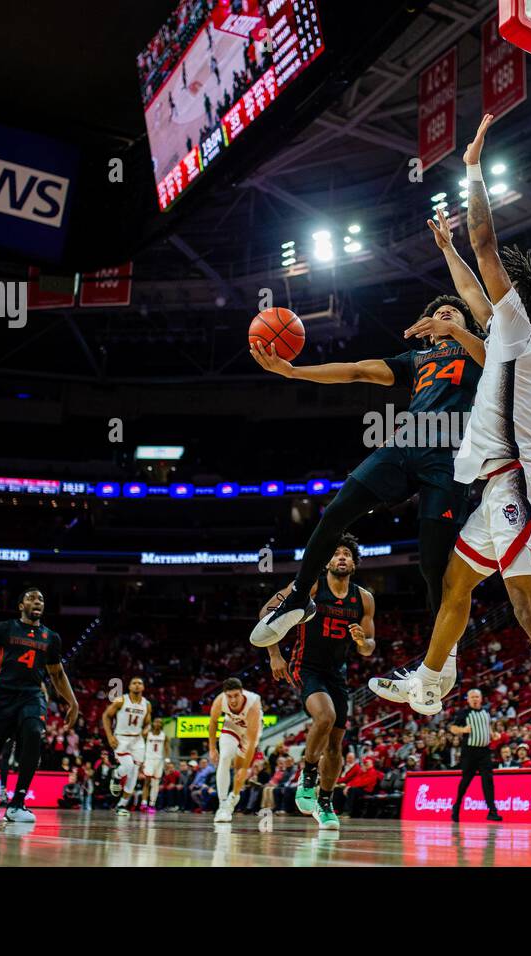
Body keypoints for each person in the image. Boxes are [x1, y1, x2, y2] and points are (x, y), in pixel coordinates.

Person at [378, 114, 531, 809]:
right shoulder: (508, 331)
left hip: (518, 481)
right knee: (457, 584)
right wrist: (448, 248)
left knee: (526, 607)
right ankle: (429, 678)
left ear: (518, 294)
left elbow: (488, 252)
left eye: (496, 281)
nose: (489, 282)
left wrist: (474, 171)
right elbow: (471, 294)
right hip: (498, 490)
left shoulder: (516, 329)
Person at [250, 264, 486, 703]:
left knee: (433, 565)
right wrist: (294, 372)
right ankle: (300, 597)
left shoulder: (480, 351)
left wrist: (456, 325)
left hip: (451, 458)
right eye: (441, 316)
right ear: (429, 333)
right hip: (405, 446)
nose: (448, 318)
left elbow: (493, 358)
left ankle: (441, 660)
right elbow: (357, 370)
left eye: (456, 314)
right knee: (337, 511)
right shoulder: (416, 359)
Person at [265, 535, 376, 830]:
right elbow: (267, 612)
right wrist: (275, 655)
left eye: (347, 554)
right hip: (306, 666)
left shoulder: (364, 598)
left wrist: (362, 641)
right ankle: (308, 775)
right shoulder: (312, 586)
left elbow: (369, 648)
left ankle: (325, 802)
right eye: (336, 553)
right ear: (327, 561)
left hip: (336, 672)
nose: (341, 557)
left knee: (336, 746)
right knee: (324, 717)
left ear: (354, 563)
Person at [0, 588, 79, 823]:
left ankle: (17, 803)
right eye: (31, 598)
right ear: (21, 605)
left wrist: (72, 702)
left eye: (41, 598)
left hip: (32, 696)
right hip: (2, 698)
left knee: (32, 734)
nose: (37, 601)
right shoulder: (3, 629)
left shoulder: (51, 638)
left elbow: (57, 675)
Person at [207, 678, 262, 823]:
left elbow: (251, 740)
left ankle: (234, 796)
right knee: (224, 758)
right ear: (225, 694)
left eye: (236, 695)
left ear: (242, 692)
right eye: (229, 696)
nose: (233, 700)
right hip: (232, 725)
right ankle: (222, 804)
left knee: (240, 770)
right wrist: (212, 748)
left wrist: (245, 767)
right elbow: (213, 723)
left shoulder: (253, 704)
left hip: (250, 732)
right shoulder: (220, 700)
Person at [448, 688, 501, 823]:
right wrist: (462, 729)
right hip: (469, 752)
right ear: (468, 699)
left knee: (488, 780)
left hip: (484, 751)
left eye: (477, 697)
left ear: (481, 698)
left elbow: (487, 726)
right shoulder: (463, 713)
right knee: (466, 781)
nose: (475, 699)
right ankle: (457, 807)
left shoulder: (486, 712)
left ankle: (492, 811)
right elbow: (452, 728)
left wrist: (492, 734)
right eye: (472, 697)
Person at [102, 677, 152, 816]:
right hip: (121, 738)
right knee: (128, 766)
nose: (137, 685)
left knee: (134, 775)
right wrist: (110, 736)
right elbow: (106, 716)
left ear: (143, 687)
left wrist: (146, 729)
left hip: (137, 740)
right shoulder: (121, 700)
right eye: (134, 683)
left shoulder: (146, 704)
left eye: (140, 683)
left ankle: (121, 805)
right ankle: (116, 774)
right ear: (129, 687)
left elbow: (148, 722)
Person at [143, 718, 167, 814]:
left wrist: (166, 761)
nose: (158, 723)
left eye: (160, 722)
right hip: (149, 759)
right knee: (147, 781)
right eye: (156, 721)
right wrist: (147, 726)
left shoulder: (164, 736)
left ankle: (152, 804)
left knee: (156, 783)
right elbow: (141, 736)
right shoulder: (148, 734)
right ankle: (144, 803)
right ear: (153, 723)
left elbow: (166, 749)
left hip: (159, 761)